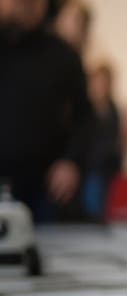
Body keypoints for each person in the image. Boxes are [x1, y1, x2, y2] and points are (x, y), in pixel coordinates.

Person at [0, 0, 92, 221]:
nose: (27, 5)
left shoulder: (62, 55)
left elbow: (85, 118)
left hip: (44, 189)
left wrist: (72, 161)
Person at [81, 62, 122, 220]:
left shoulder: (113, 108)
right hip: (92, 166)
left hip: (108, 167)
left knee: (103, 204)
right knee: (93, 205)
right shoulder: (88, 108)